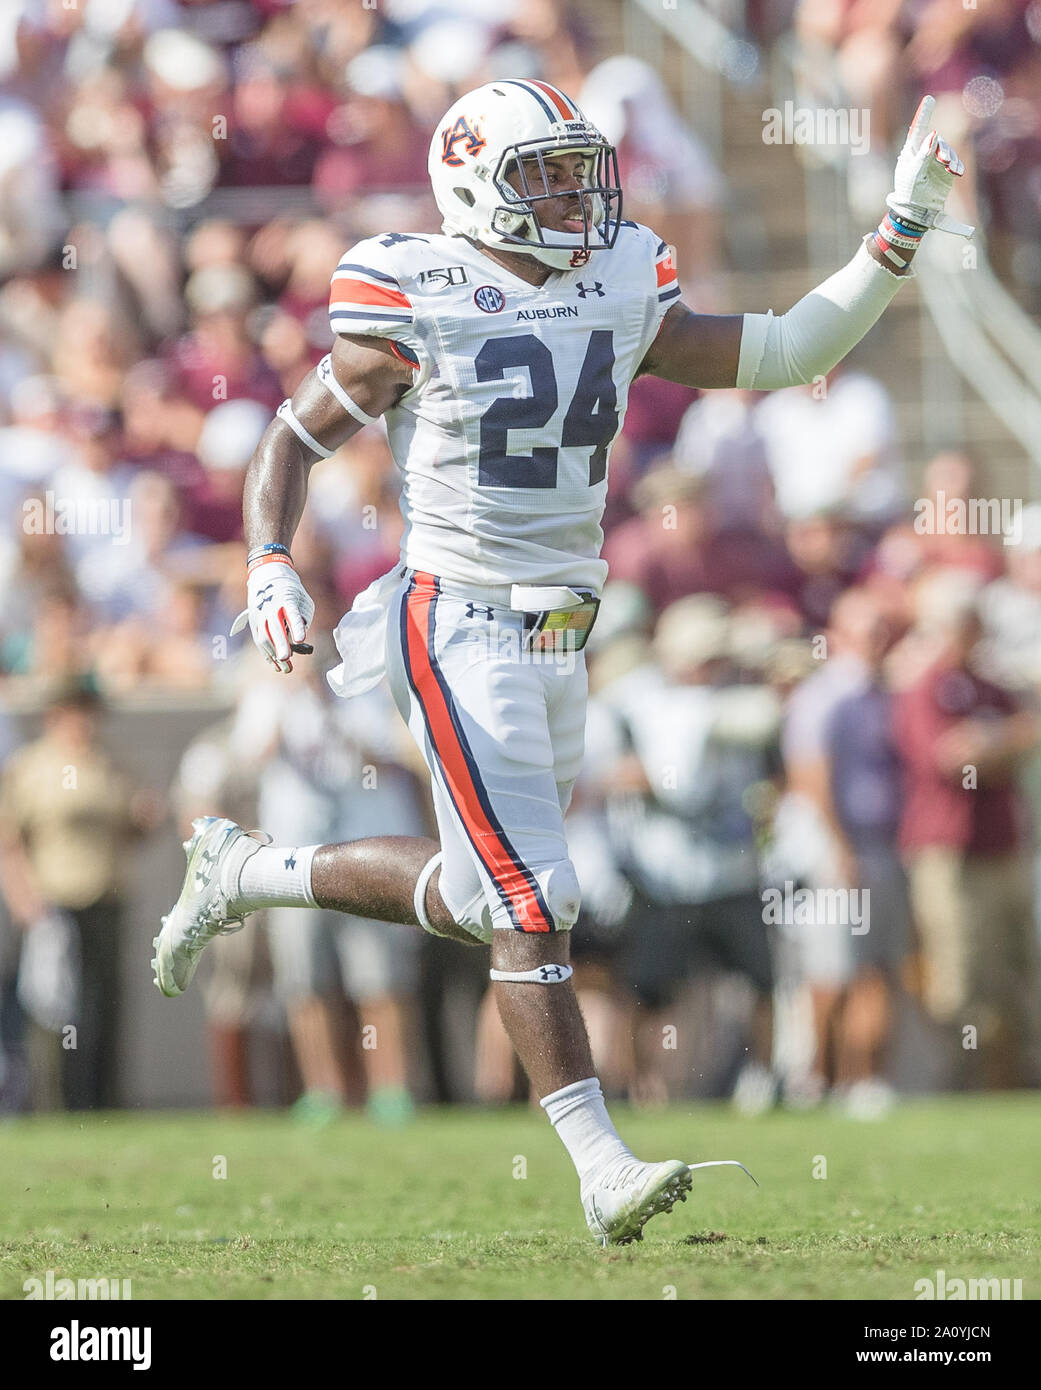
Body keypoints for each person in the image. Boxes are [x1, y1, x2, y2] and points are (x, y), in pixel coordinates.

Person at [153, 81, 970, 1245]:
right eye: (543, 172)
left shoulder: (621, 275)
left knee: (481, 893)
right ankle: (599, 1164)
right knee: (542, 897)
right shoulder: (418, 292)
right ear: (475, 182)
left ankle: (245, 872)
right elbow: (291, 436)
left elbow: (786, 351)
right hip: (456, 618)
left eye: (580, 167)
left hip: (565, 633)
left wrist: (896, 234)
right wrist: (269, 560)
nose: (576, 193)